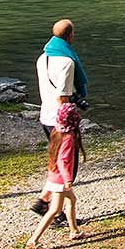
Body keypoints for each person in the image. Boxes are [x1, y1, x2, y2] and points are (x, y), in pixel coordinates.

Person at [31, 20, 88, 227]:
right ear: (70, 36)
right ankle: (55, 214)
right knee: (67, 169)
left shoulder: (42, 57)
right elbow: (63, 99)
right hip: (60, 122)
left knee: (55, 164)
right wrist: (72, 121)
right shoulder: (67, 62)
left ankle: (43, 201)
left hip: (45, 116)